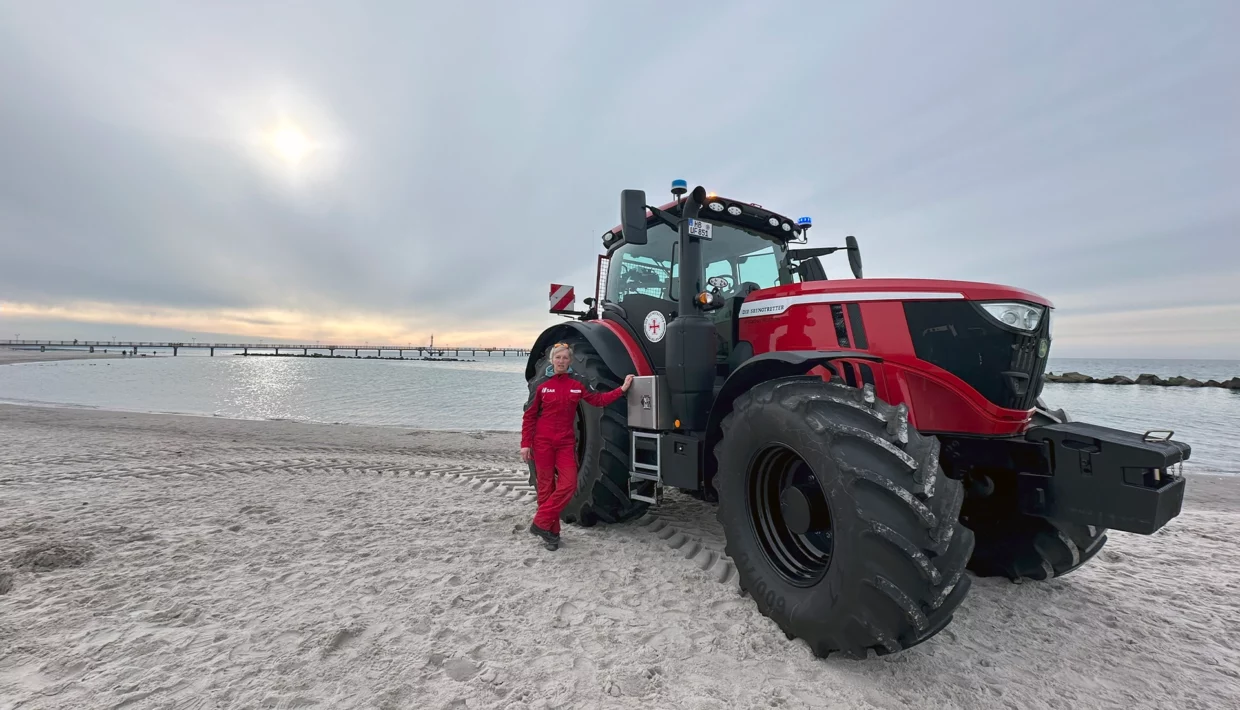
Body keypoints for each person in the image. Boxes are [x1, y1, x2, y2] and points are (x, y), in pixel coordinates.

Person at [520, 342, 633, 550]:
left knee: (569, 485)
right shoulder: (541, 384)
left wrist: (621, 390)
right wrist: (525, 444)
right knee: (545, 488)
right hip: (542, 443)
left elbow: (598, 400)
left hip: (565, 443)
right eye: (558, 358)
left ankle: (540, 521)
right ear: (552, 360)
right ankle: (551, 534)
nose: (561, 361)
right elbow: (529, 417)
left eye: (565, 358)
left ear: (570, 361)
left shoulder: (578, 382)